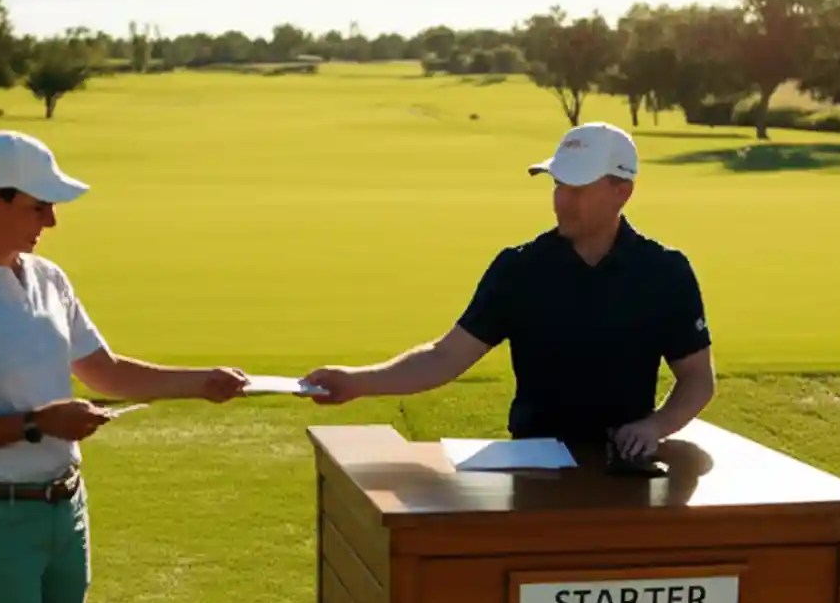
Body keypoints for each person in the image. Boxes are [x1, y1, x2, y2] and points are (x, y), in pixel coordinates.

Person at [0, 130, 248, 603]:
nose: (51, 222)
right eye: (39, 207)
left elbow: (104, 371)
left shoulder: (49, 279)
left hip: (66, 515)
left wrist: (202, 382)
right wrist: (38, 423)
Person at [304, 122, 715, 461]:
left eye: (577, 189)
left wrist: (655, 426)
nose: (560, 201)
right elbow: (444, 357)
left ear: (621, 191)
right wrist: (358, 381)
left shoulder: (665, 273)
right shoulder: (520, 269)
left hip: (623, 467)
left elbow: (697, 379)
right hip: (534, 465)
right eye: (558, 185)